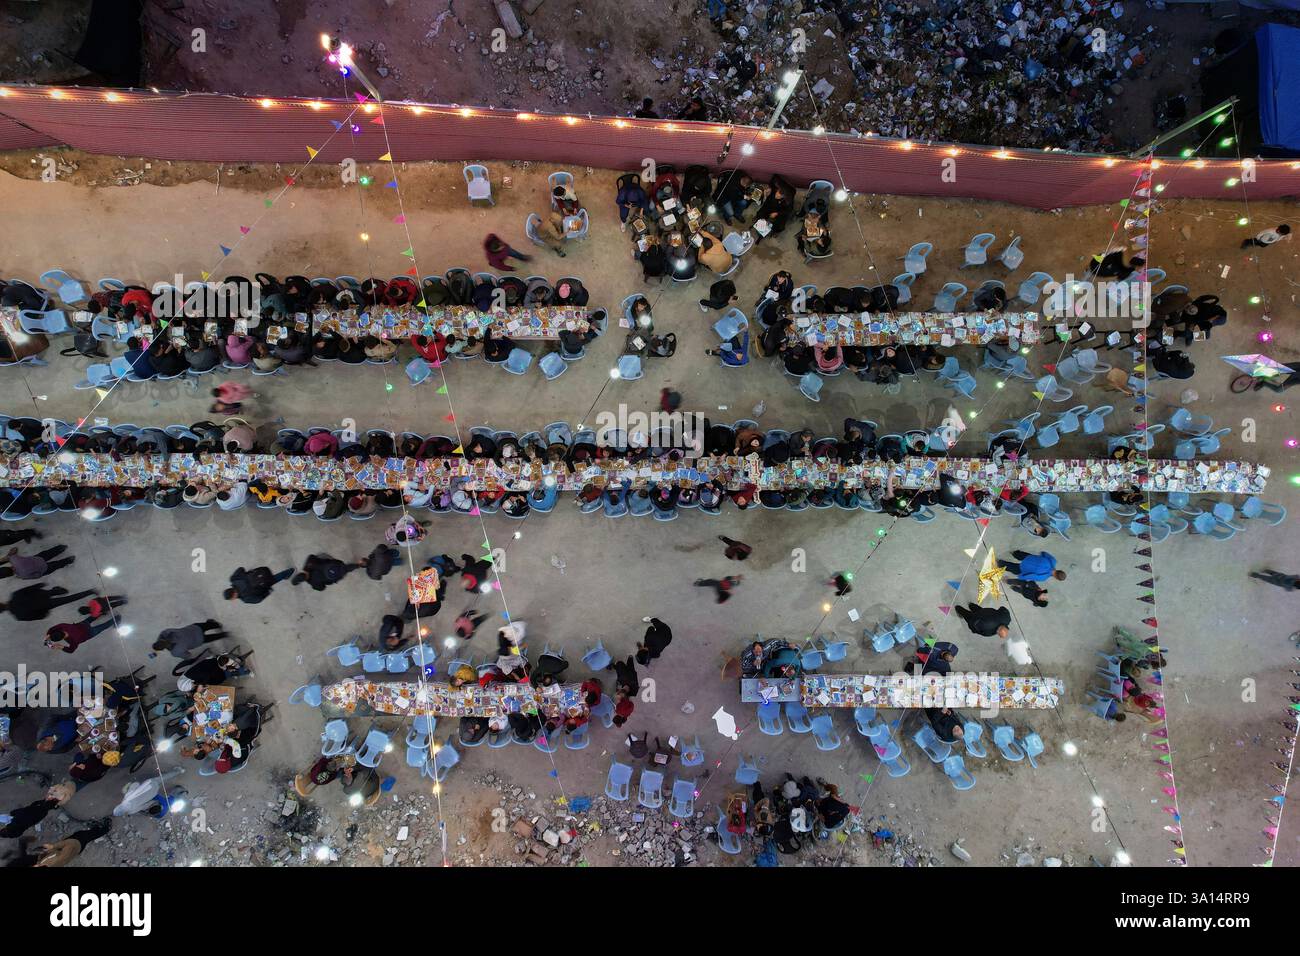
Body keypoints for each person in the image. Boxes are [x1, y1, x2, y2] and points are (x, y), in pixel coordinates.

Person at [26, 818, 113, 867]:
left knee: (80, 834)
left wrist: (43, 854)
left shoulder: (41, 863)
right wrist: (53, 846)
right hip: (75, 845)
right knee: (87, 835)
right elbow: (70, 846)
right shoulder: (55, 862)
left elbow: (45, 858)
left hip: (65, 846)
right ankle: (105, 829)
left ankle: (96, 829)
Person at [1, 584, 97, 622]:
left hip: (45, 605)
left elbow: (37, 616)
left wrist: (45, 613)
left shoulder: (19, 616)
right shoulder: (15, 595)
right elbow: (28, 589)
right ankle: (57, 590)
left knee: (69, 599)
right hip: (41, 594)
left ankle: (91, 591)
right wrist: (39, 585)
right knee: (51, 592)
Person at [151, 620, 227, 658]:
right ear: (161, 640)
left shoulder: (176, 652)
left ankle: (224, 634)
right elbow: (163, 633)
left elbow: (188, 655)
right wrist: (160, 639)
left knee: (214, 637)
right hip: (195, 628)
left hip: (199, 640)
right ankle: (217, 625)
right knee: (209, 625)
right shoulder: (169, 632)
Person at [44, 616, 116, 654]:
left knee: (103, 626)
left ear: (62, 639)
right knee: (91, 618)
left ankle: (116, 618)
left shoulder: (73, 641)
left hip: (89, 633)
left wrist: (60, 646)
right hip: (83, 624)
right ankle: (102, 611)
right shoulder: (62, 626)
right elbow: (52, 629)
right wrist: (48, 635)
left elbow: (71, 650)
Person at [224, 565, 294, 603]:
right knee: (271, 577)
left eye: (231, 599)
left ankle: (289, 572)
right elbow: (241, 568)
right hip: (261, 571)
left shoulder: (245, 598)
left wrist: (268, 592)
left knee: (274, 579)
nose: (232, 600)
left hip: (265, 583)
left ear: (233, 595)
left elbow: (259, 599)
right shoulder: (233, 579)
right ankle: (289, 571)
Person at [0, 545, 74, 581]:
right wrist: (7, 557)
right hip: (39, 558)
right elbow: (14, 551)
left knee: (57, 565)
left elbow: (37, 576)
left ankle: (69, 560)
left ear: (9, 575)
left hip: (44, 569)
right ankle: (62, 548)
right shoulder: (14, 559)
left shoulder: (23, 576)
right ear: (7, 567)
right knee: (50, 552)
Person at [293, 554, 359, 591]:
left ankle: (357, 565)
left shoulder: (313, 583)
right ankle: (357, 565)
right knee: (343, 568)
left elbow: (322, 588)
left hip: (333, 575)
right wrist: (307, 567)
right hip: (332, 565)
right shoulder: (309, 565)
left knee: (344, 570)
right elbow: (311, 556)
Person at [999, 550, 1065, 584]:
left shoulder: (1053, 561)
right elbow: (1030, 576)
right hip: (1023, 569)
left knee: (1019, 554)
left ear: (1060, 570)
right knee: (1009, 566)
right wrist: (1021, 577)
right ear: (1056, 578)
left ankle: (1013, 553)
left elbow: (1043, 553)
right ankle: (999, 563)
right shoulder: (1043, 577)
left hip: (1029, 557)